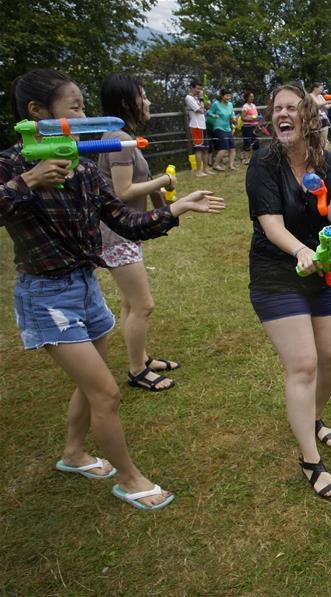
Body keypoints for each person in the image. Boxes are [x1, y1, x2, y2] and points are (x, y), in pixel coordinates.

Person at [2, 68, 225, 510]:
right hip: (46, 297)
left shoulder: (85, 170)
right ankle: (130, 479)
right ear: (37, 113)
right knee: (106, 392)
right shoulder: (11, 165)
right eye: (76, 108)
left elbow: (125, 223)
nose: (87, 115)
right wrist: (27, 182)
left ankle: (74, 454)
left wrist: (176, 208)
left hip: (85, 288)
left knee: (91, 387)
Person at [245, 82, 331, 501]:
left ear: (308, 118)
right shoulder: (263, 163)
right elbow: (271, 226)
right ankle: (310, 461)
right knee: (304, 364)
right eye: (277, 108)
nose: (281, 114)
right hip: (277, 272)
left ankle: (312, 418)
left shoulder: (326, 161)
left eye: (291, 107)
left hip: (324, 272)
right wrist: (302, 250)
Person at [96, 73, 180, 392]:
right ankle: (136, 370)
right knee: (143, 304)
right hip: (117, 235)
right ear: (125, 102)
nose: (147, 102)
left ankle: (141, 357)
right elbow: (122, 191)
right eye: (142, 96)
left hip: (124, 233)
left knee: (132, 303)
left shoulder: (122, 136)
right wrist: (161, 181)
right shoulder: (117, 139)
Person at [185, 79, 212, 176]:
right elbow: (199, 110)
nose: (198, 90)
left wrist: (204, 100)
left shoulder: (197, 98)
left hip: (202, 125)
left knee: (205, 148)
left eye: (200, 89)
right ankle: (198, 171)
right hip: (196, 126)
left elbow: (206, 108)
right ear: (192, 87)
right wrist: (201, 100)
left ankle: (205, 169)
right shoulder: (189, 98)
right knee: (199, 149)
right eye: (197, 88)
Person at [208, 89, 237, 170]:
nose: (229, 97)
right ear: (222, 96)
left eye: (229, 95)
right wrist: (214, 116)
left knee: (232, 148)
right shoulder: (216, 104)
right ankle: (215, 165)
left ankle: (231, 165)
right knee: (224, 148)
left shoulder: (230, 104)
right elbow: (209, 112)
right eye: (227, 95)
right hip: (218, 128)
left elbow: (232, 115)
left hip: (228, 128)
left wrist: (234, 119)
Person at [240, 91, 261, 164]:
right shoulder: (245, 106)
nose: (252, 98)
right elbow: (243, 117)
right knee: (247, 143)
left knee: (256, 143)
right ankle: (246, 159)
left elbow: (256, 116)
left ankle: (255, 158)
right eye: (250, 96)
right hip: (247, 127)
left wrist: (258, 123)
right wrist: (253, 119)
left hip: (254, 127)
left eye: (253, 96)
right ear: (246, 98)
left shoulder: (254, 105)